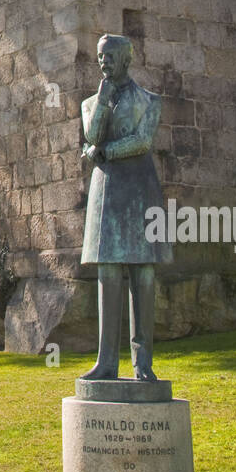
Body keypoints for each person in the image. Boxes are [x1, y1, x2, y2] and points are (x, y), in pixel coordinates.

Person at [79, 33, 168, 381]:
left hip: (140, 189)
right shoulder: (90, 104)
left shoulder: (149, 100)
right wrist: (102, 102)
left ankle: (142, 363)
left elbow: (143, 141)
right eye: (100, 56)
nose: (104, 62)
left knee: (144, 273)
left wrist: (106, 152)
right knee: (108, 273)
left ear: (127, 59)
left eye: (110, 56)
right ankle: (106, 363)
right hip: (107, 192)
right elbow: (92, 136)